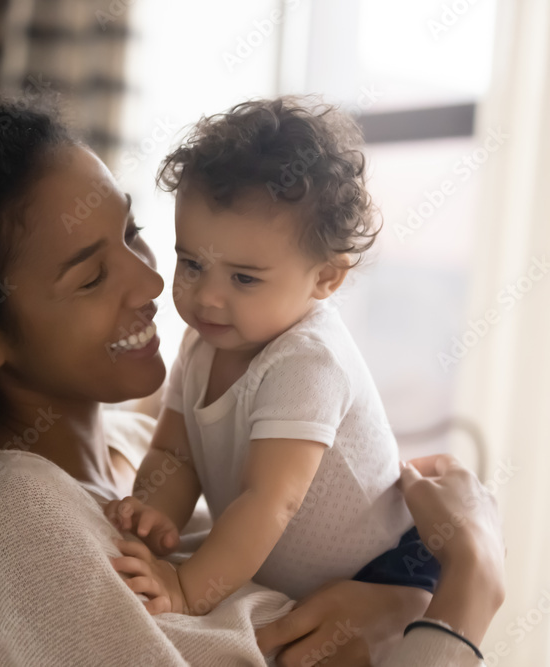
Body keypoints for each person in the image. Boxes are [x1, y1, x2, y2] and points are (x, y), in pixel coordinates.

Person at [0, 92, 504, 666]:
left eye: (133, 231)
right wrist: (467, 583)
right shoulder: (15, 514)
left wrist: (401, 596)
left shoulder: (141, 450)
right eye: (92, 275)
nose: (155, 284)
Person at [105, 97, 432, 615]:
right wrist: (153, 517)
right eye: (191, 263)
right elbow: (175, 456)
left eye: (243, 278)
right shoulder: (203, 342)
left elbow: (268, 500)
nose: (206, 297)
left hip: (387, 568)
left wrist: (188, 590)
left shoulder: (307, 362)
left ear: (325, 278)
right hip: (288, 572)